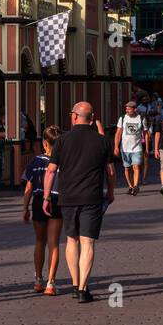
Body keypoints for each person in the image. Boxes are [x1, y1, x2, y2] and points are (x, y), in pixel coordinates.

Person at [43, 101, 114, 302]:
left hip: (67, 197)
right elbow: (110, 171)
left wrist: (47, 196)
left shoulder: (62, 141)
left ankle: (75, 284)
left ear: (74, 117)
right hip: (91, 196)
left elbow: (51, 171)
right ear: (92, 118)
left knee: (72, 240)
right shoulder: (102, 141)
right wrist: (110, 192)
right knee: (88, 241)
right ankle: (83, 288)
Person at [22, 125, 63, 293]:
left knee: (40, 241)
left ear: (45, 143)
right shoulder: (63, 161)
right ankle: (51, 283)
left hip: (39, 201)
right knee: (54, 243)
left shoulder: (36, 161)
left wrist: (25, 208)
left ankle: (38, 280)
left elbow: (29, 187)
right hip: (57, 200)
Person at [114, 100, 147, 196]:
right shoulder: (123, 118)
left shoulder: (141, 118)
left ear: (134, 109)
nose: (127, 110)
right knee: (127, 168)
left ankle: (136, 186)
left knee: (136, 166)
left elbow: (145, 133)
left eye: (129, 109)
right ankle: (130, 186)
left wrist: (147, 147)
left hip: (137, 147)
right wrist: (116, 146)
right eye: (126, 109)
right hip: (124, 148)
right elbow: (118, 133)